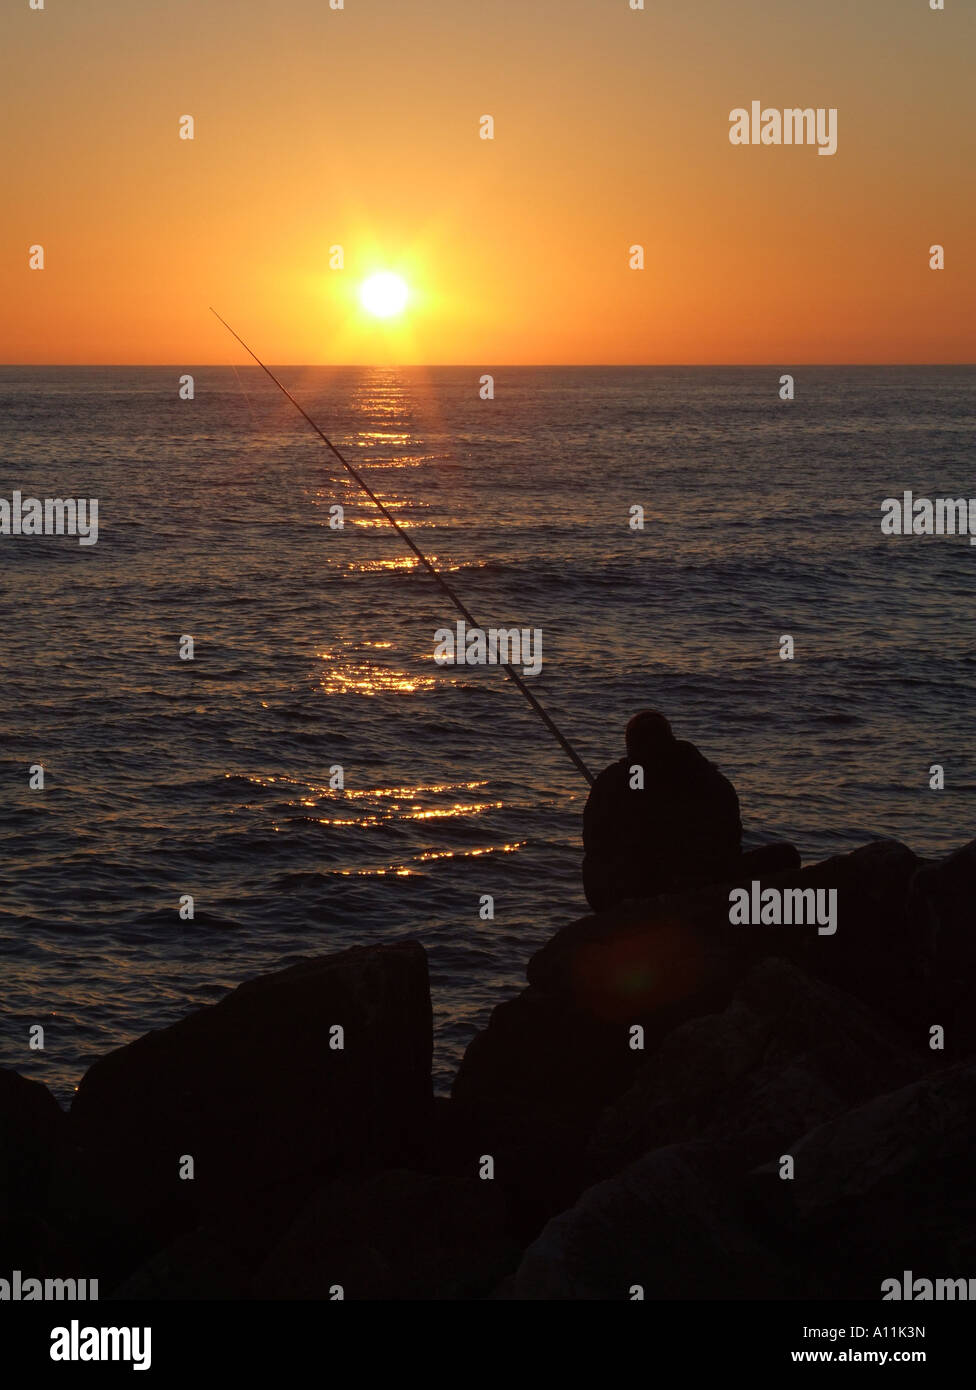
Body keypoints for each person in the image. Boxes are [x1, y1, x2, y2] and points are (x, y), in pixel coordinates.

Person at [582, 710, 799, 912]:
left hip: (638, 887)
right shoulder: (710, 778)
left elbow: (593, 843)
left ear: (631, 747)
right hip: (695, 880)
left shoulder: (612, 780)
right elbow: (729, 842)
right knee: (785, 856)